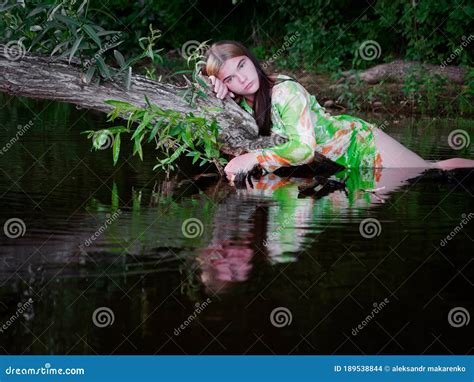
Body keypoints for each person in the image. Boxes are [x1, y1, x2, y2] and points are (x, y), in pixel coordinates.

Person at [203, 40, 474, 182]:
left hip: (360, 143)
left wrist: (254, 158)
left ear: (250, 59)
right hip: (336, 162)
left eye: (241, 65)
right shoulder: (240, 102)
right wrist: (210, 80)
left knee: (428, 171)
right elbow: (201, 79)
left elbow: (305, 150)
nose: (242, 79)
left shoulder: (284, 91)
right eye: (229, 79)